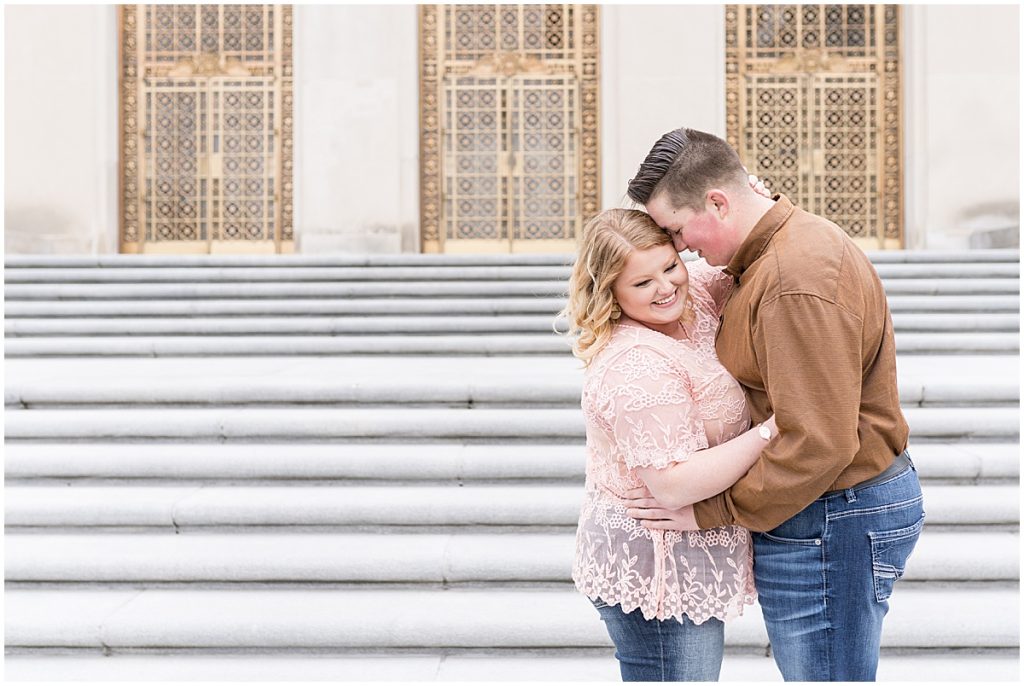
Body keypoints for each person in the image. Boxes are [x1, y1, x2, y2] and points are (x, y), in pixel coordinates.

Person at [622, 127, 924, 682]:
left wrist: (708, 511)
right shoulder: (776, 250)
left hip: (833, 512)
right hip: (827, 509)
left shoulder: (792, 278)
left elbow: (818, 441)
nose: (680, 247)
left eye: (677, 229)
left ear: (717, 202)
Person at [560, 208, 779, 681]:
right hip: (656, 564)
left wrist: (755, 200)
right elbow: (674, 485)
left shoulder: (692, 291)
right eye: (642, 283)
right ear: (611, 293)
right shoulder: (633, 364)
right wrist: (772, 431)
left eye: (669, 266)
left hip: (686, 549)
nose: (665, 287)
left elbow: (742, 251)